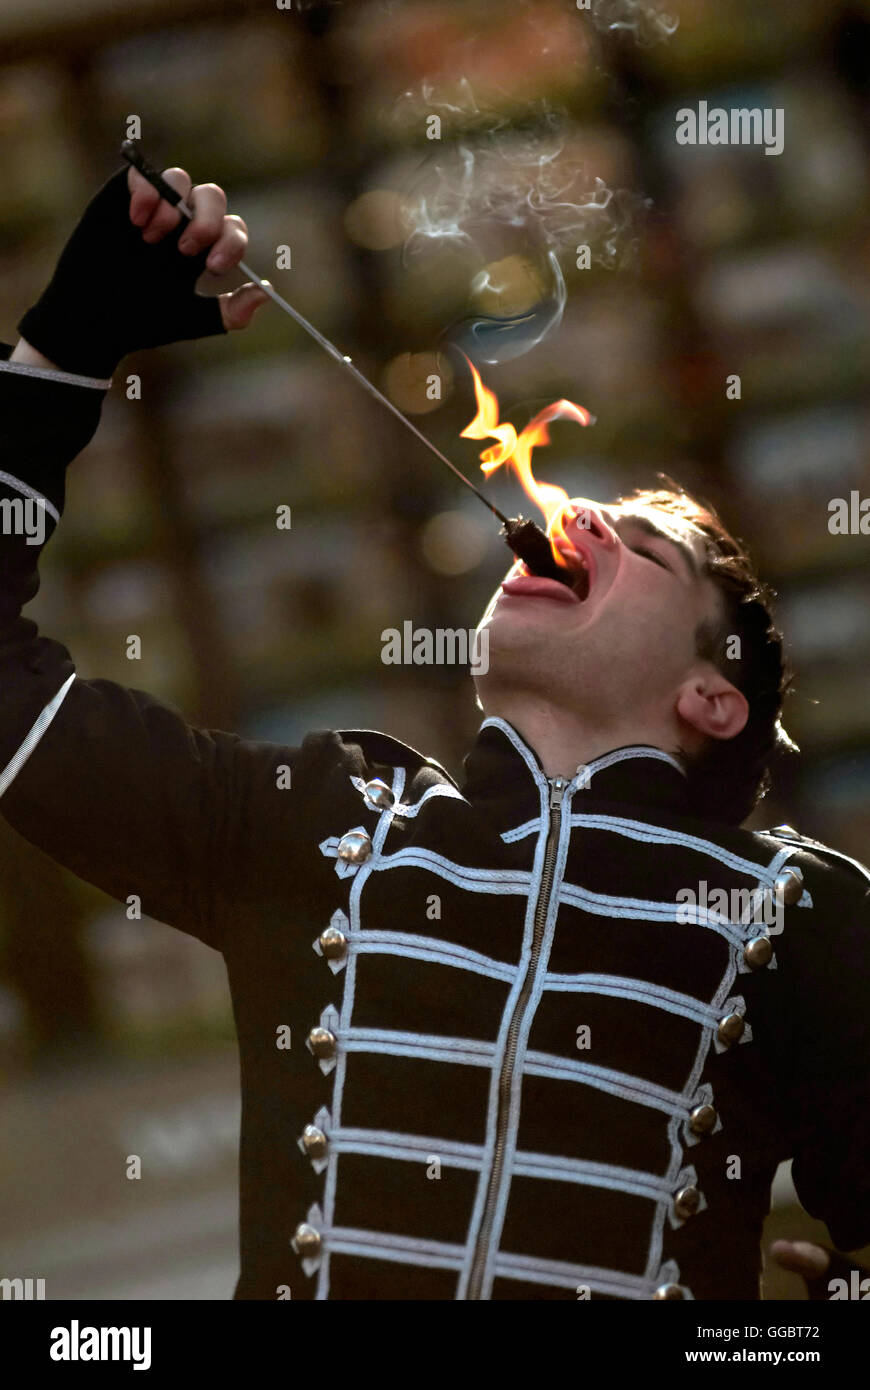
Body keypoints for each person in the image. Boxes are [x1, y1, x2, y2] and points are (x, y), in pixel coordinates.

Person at [0, 162, 868, 1301]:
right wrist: (62, 354)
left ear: (712, 699)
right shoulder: (310, 823)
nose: (571, 520)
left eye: (647, 551)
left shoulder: (804, 916)